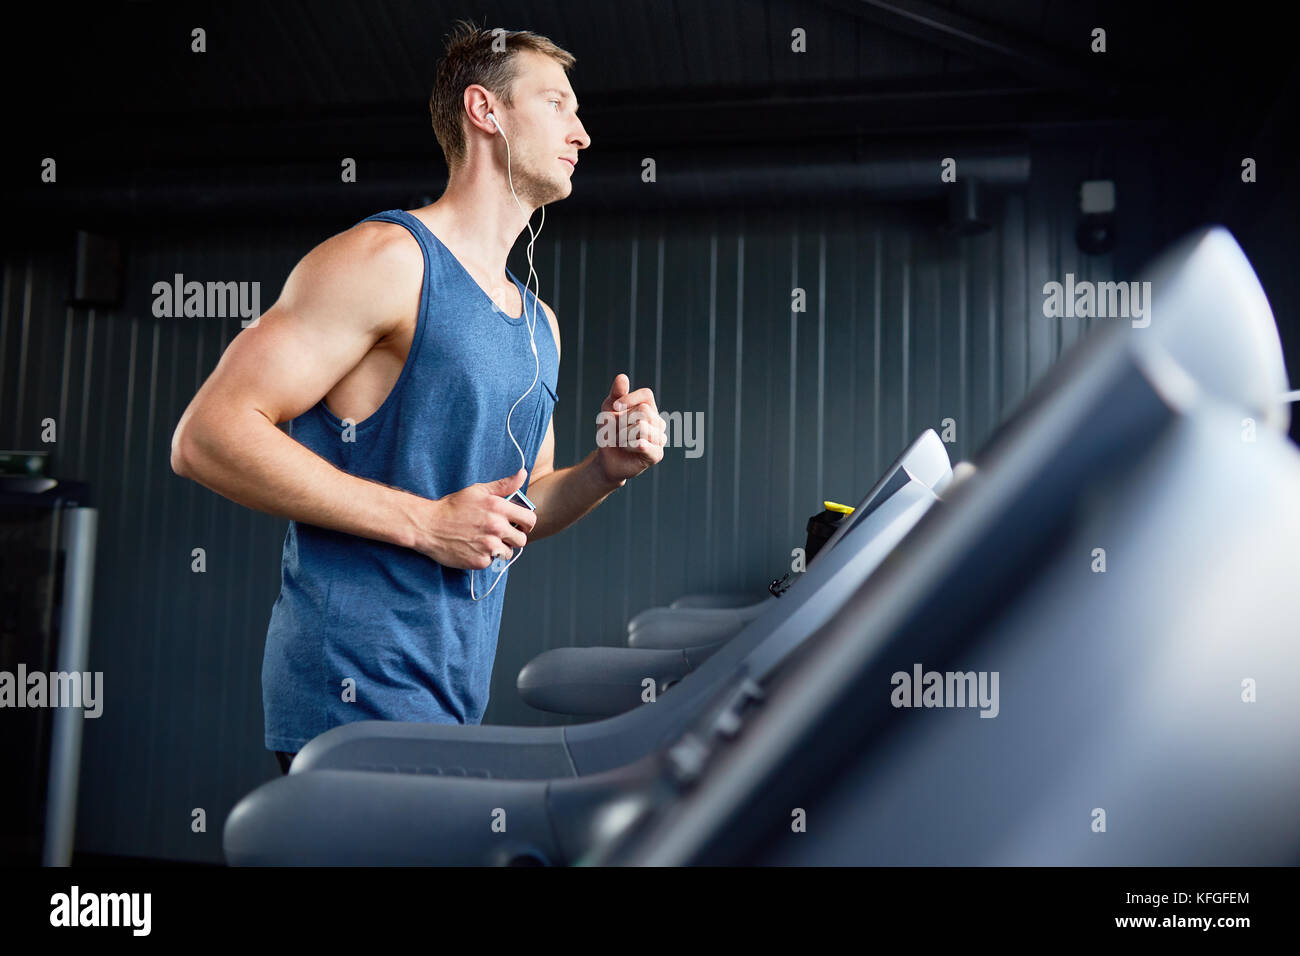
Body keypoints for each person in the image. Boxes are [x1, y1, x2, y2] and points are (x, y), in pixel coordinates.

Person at [170, 21, 666, 775]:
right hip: (350, 700)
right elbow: (207, 434)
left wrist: (605, 470)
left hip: (451, 699)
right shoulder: (386, 261)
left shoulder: (540, 326)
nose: (583, 133)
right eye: (558, 104)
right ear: (485, 110)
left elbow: (520, 509)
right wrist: (426, 523)